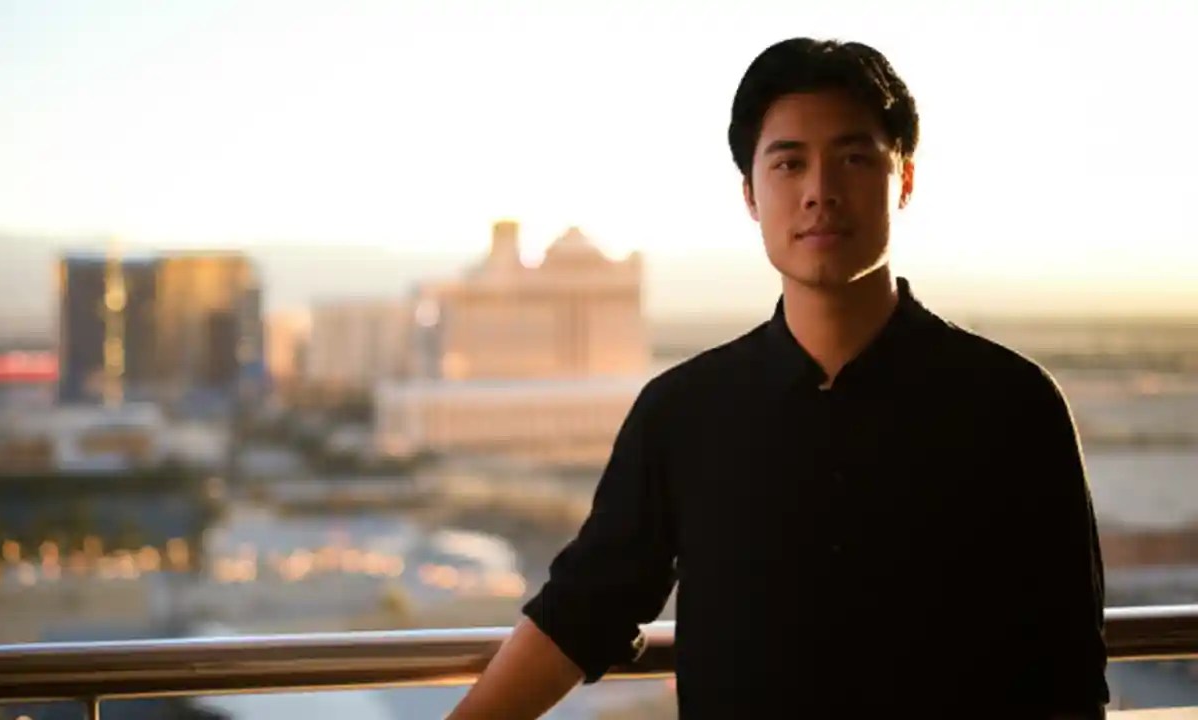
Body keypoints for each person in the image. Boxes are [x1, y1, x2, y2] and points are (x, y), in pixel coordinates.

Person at [448, 37, 1109, 719]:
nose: (819, 192)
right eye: (789, 164)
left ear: (904, 179)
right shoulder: (683, 413)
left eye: (853, 158)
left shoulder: (1013, 407)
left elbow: (1066, 674)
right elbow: (581, 612)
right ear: (751, 195)